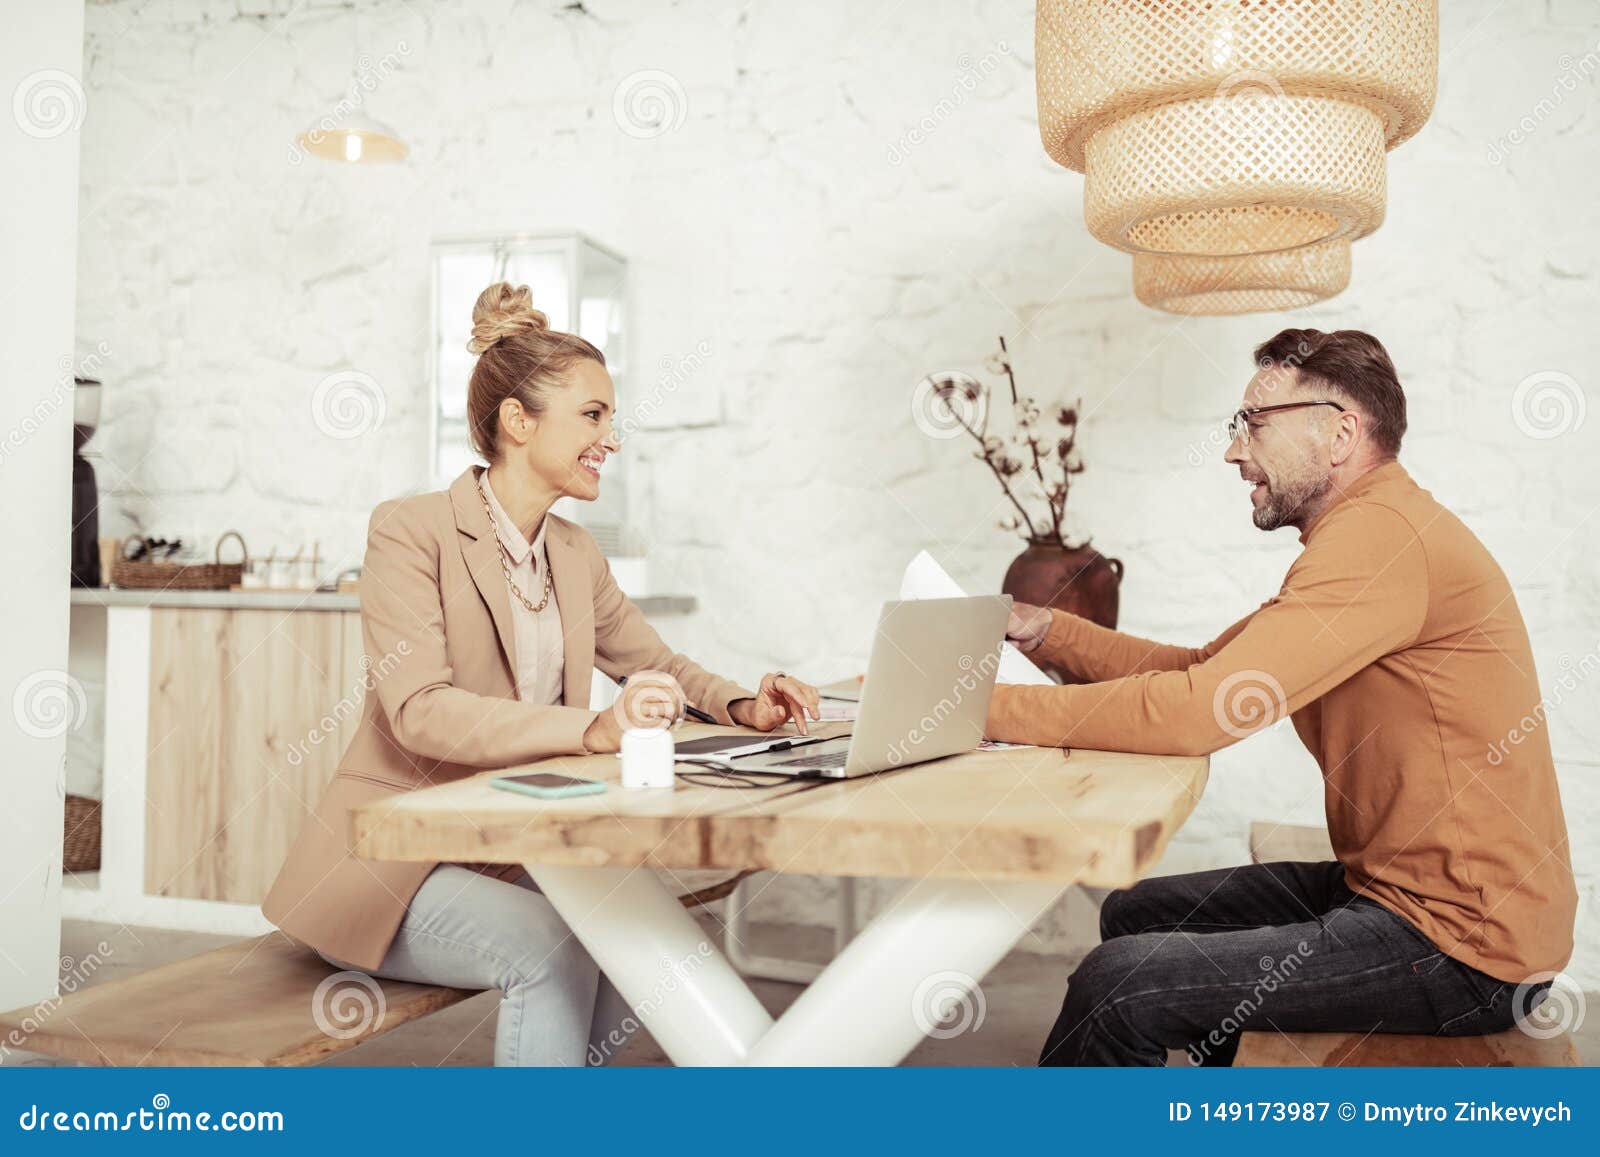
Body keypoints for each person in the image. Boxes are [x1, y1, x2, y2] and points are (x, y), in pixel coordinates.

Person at [263, 281, 821, 1066]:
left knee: (648, 941)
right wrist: (591, 729)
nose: (612, 438)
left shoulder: (572, 551)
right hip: (390, 863)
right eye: (593, 415)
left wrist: (741, 704)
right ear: (518, 422)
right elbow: (419, 709)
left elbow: (653, 661)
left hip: (509, 843)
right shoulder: (409, 531)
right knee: (552, 947)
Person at [987, 328, 1575, 1066]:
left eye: (1254, 425)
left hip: (1463, 947)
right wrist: (1046, 631)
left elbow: (1198, 708)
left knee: (1119, 985)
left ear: (1339, 433)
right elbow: (1207, 667)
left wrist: (983, 712)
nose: (1235, 451)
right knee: (1135, 911)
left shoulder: (1382, 542)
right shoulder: (1363, 535)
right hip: (1394, 894)